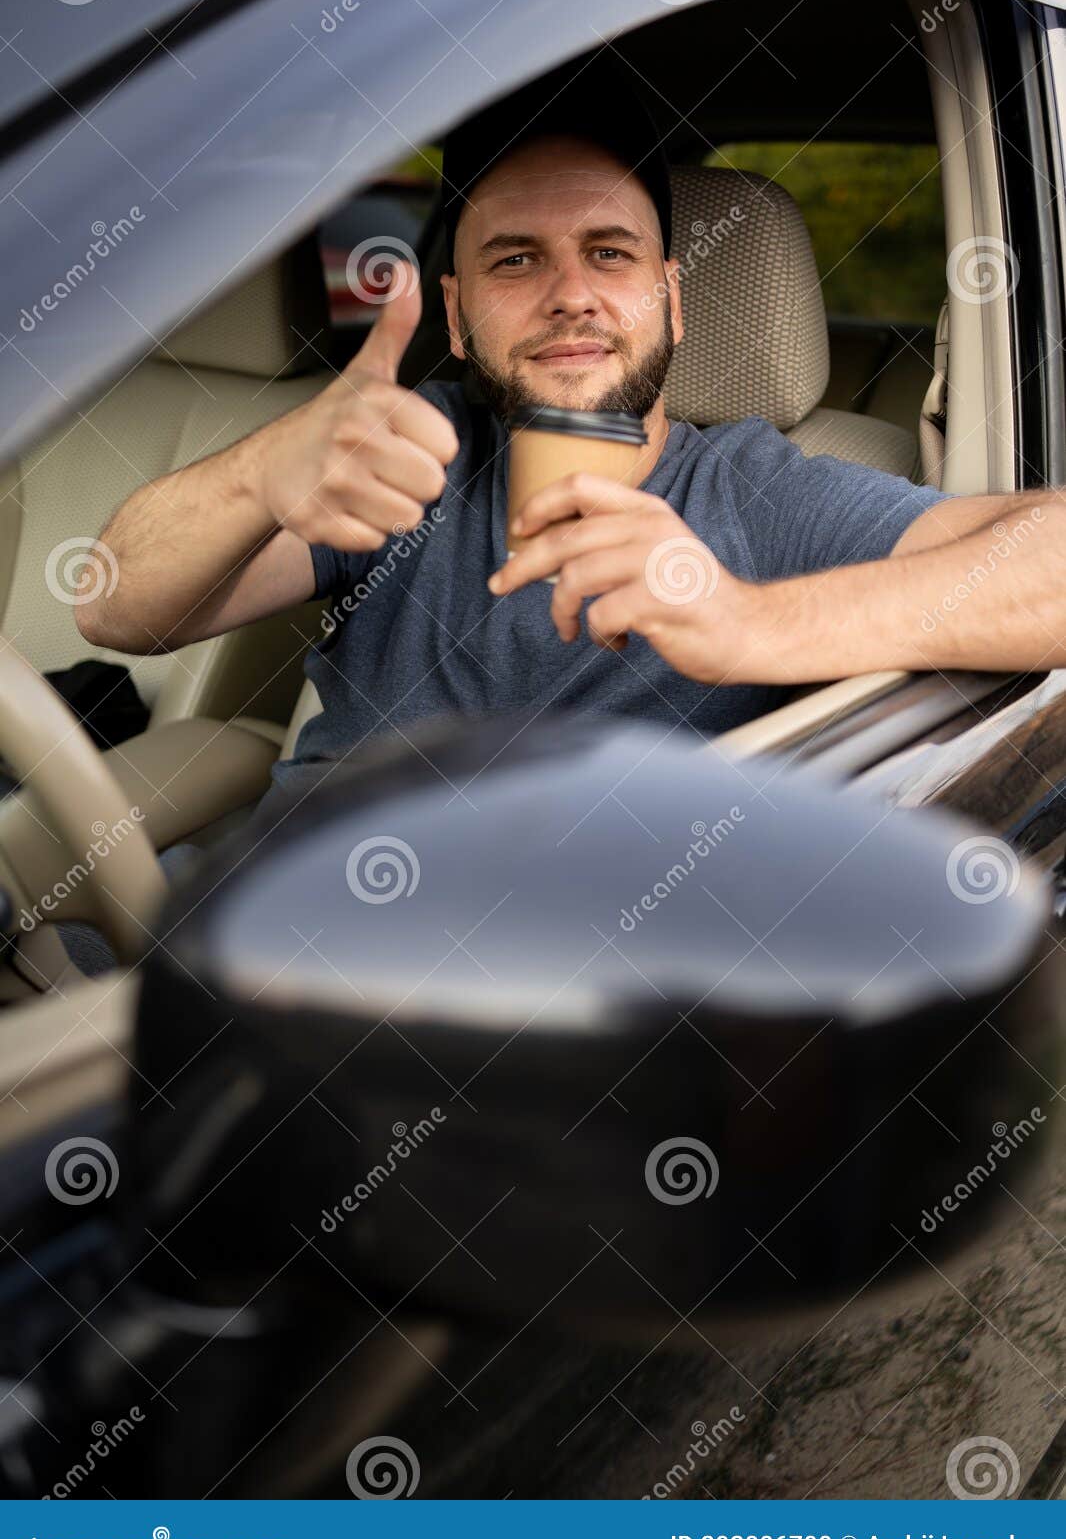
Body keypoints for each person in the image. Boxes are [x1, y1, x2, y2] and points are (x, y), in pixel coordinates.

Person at [74, 54, 1065, 913]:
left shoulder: (759, 495)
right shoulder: (406, 452)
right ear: (456, 316)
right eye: (516, 260)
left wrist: (748, 620)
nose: (571, 295)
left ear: (671, 300)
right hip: (242, 926)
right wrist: (260, 470)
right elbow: (113, 607)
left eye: (609, 253)